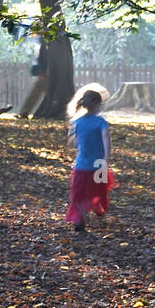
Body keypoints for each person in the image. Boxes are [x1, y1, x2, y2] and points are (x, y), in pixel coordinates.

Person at [64, 83, 115, 232]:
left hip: (81, 165)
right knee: (99, 189)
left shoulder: (77, 122)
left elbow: (74, 142)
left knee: (79, 193)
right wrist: (106, 157)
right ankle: (98, 210)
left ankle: (80, 217)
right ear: (97, 105)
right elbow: (106, 139)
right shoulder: (100, 122)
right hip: (99, 164)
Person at [18, 35, 49, 118]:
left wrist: (43, 69)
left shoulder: (47, 39)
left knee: (36, 93)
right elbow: (42, 57)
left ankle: (24, 112)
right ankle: (24, 112)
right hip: (45, 72)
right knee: (36, 93)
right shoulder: (45, 40)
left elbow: (43, 57)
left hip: (46, 72)